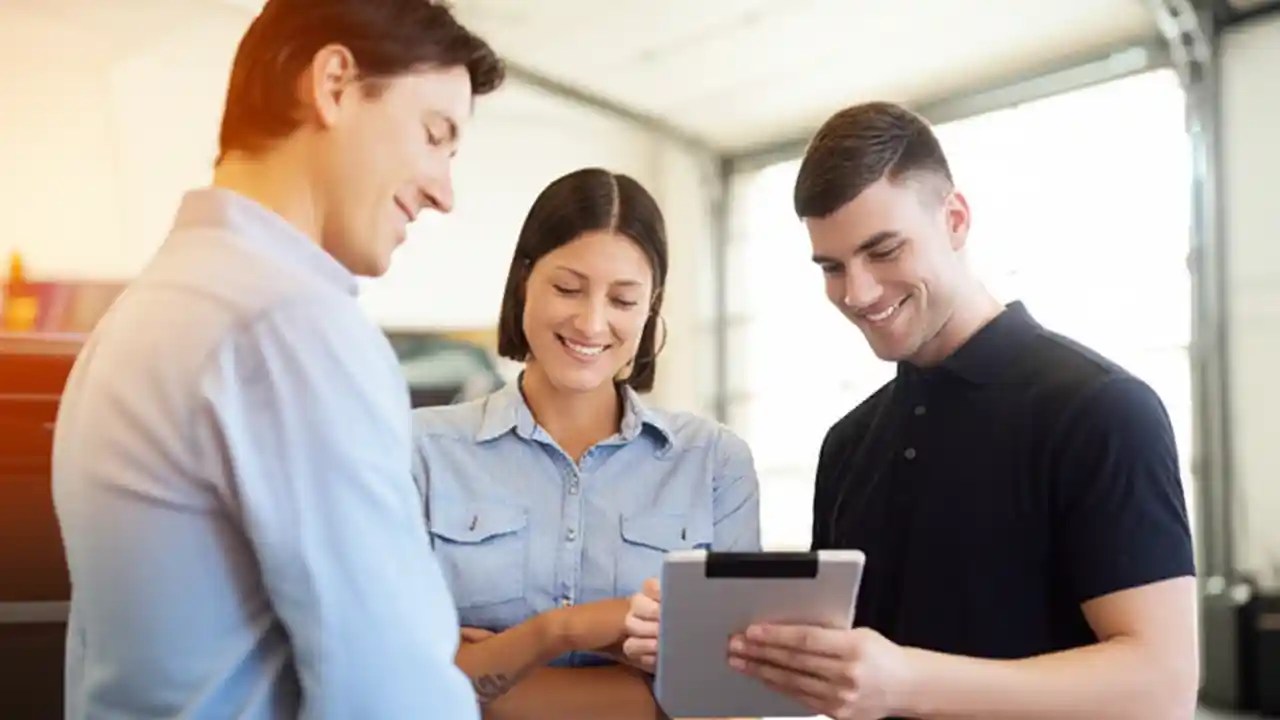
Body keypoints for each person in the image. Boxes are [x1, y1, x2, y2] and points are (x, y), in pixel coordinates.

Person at [622, 102, 1199, 719]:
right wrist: (706, 642)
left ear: (954, 219)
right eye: (832, 267)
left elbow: (1160, 687)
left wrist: (905, 683)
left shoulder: (1101, 410)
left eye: (884, 251)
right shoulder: (849, 444)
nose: (857, 292)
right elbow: (847, 677)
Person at [50, 1, 503, 717]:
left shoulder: (140, 316)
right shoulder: (290, 324)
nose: (444, 193)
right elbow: (392, 695)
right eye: (434, 135)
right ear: (334, 85)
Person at [411, 167, 761, 719]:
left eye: (623, 300)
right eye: (568, 288)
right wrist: (568, 630)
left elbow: (730, 700)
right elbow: (396, 686)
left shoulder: (715, 463)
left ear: (652, 307)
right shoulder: (420, 453)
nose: (592, 322)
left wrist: (488, 671)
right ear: (523, 280)